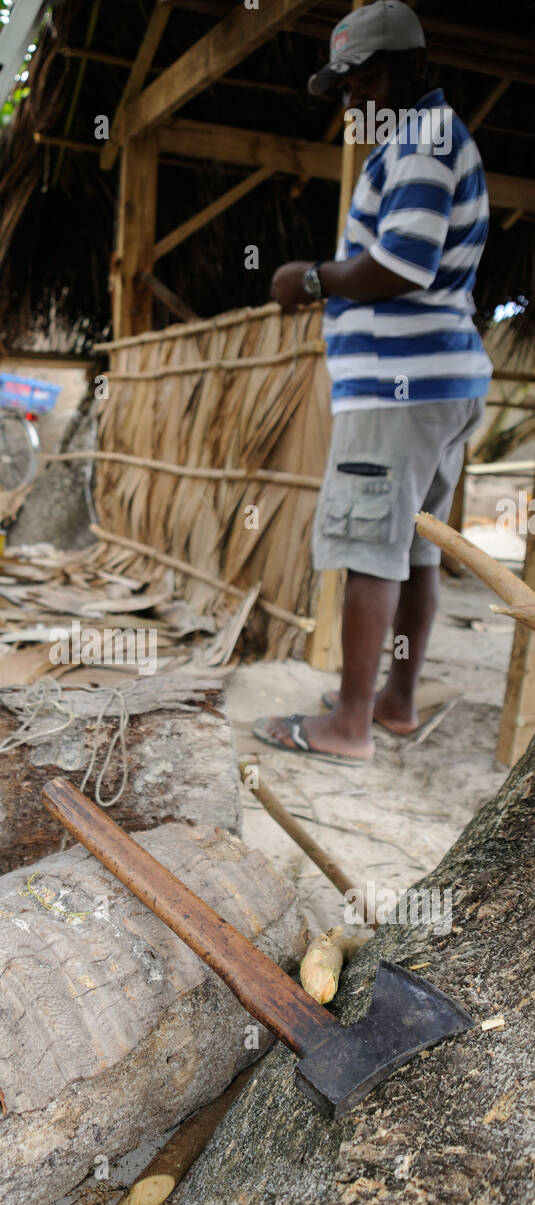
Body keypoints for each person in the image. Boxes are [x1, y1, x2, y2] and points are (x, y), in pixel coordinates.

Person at [254, 0, 491, 765]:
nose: (353, 99)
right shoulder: (429, 137)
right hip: (437, 382)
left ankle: (346, 725)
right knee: (414, 550)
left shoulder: (419, 142)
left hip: (399, 388)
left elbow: (399, 266)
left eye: (367, 80)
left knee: (369, 549)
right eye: (346, 85)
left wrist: (310, 280)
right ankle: (390, 701)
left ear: (414, 68)